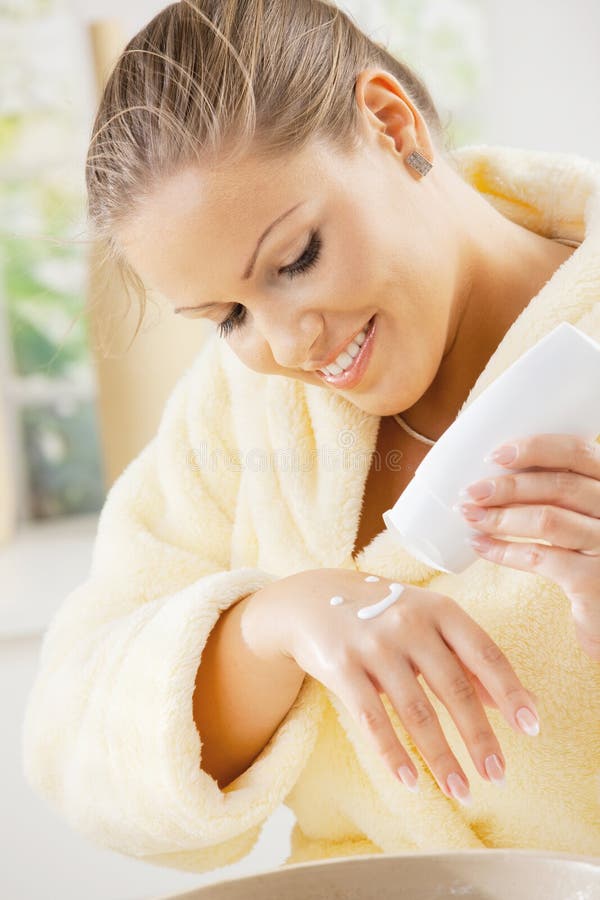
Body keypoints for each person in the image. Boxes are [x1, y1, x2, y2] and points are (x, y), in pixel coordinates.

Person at [23, 0, 599, 874]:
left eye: (295, 260)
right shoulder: (240, 410)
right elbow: (74, 733)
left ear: (391, 125)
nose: (288, 346)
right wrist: (270, 624)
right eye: (228, 316)